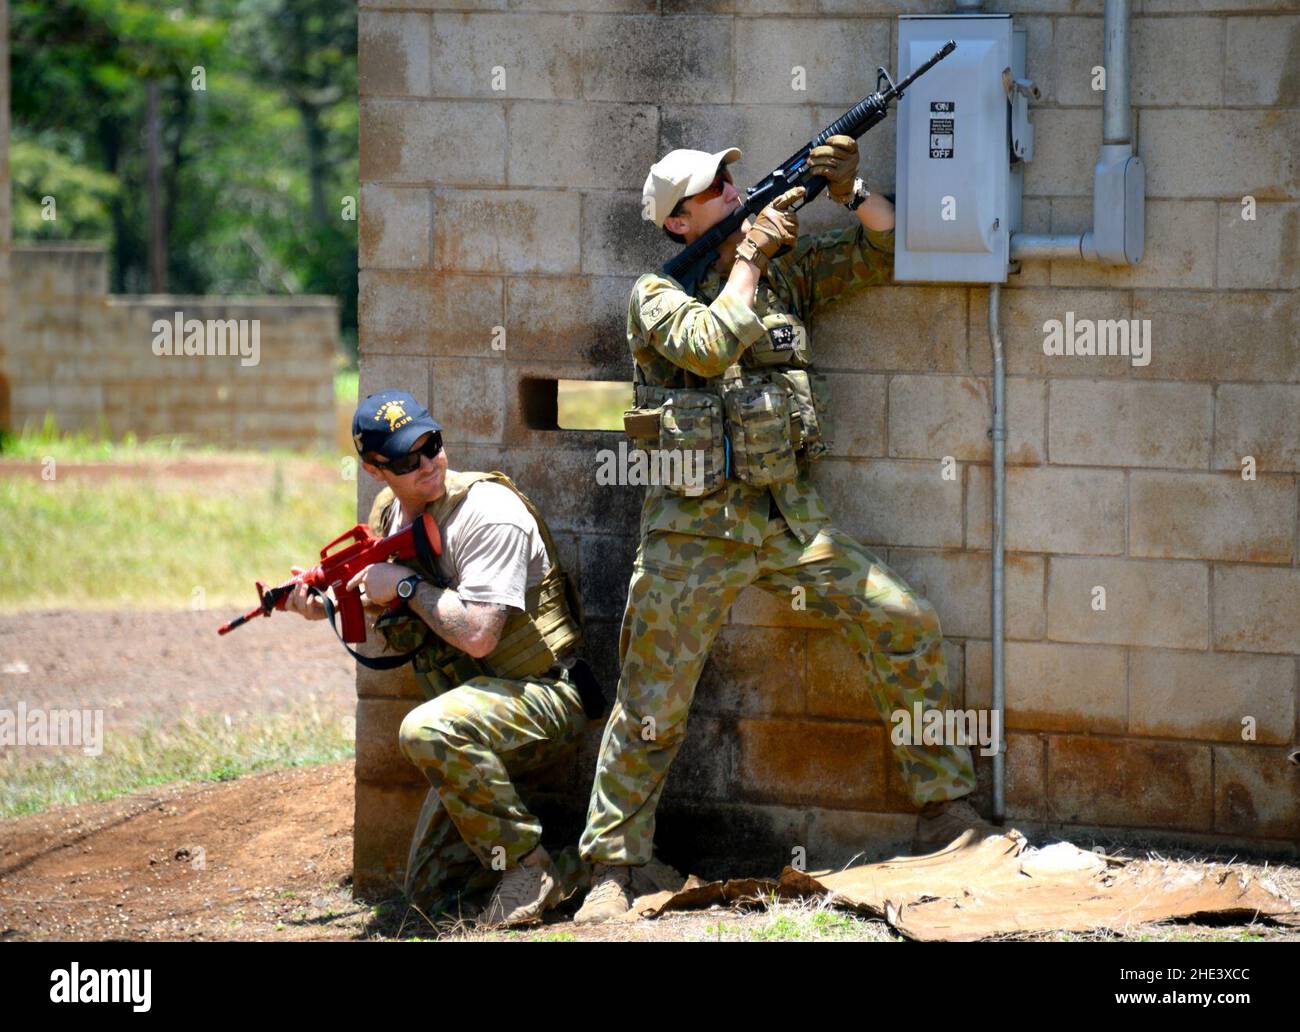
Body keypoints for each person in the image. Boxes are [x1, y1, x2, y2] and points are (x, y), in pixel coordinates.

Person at [573, 139, 996, 925]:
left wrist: (851, 189)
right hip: (692, 534)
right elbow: (708, 344)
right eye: (713, 190)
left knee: (904, 621)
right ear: (676, 224)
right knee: (650, 705)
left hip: (787, 520)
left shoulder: (786, 278)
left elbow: (892, 250)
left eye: (733, 181)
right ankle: (612, 866)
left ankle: (946, 810)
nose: (733, 193)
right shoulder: (657, 294)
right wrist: (750, 260)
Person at [289, 389, 598, 927]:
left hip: (546, 696)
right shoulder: (388, 516)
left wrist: (405, 585)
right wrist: (326, 605)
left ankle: (530, 865)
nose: (428, 463)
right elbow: (374, 599)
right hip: (474, 715)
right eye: (408, 459)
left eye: (432, 445)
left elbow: (479, 635)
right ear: (375, 468)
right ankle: (580, 872)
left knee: (423, 730)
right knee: (431, 899)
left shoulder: (487, 512)